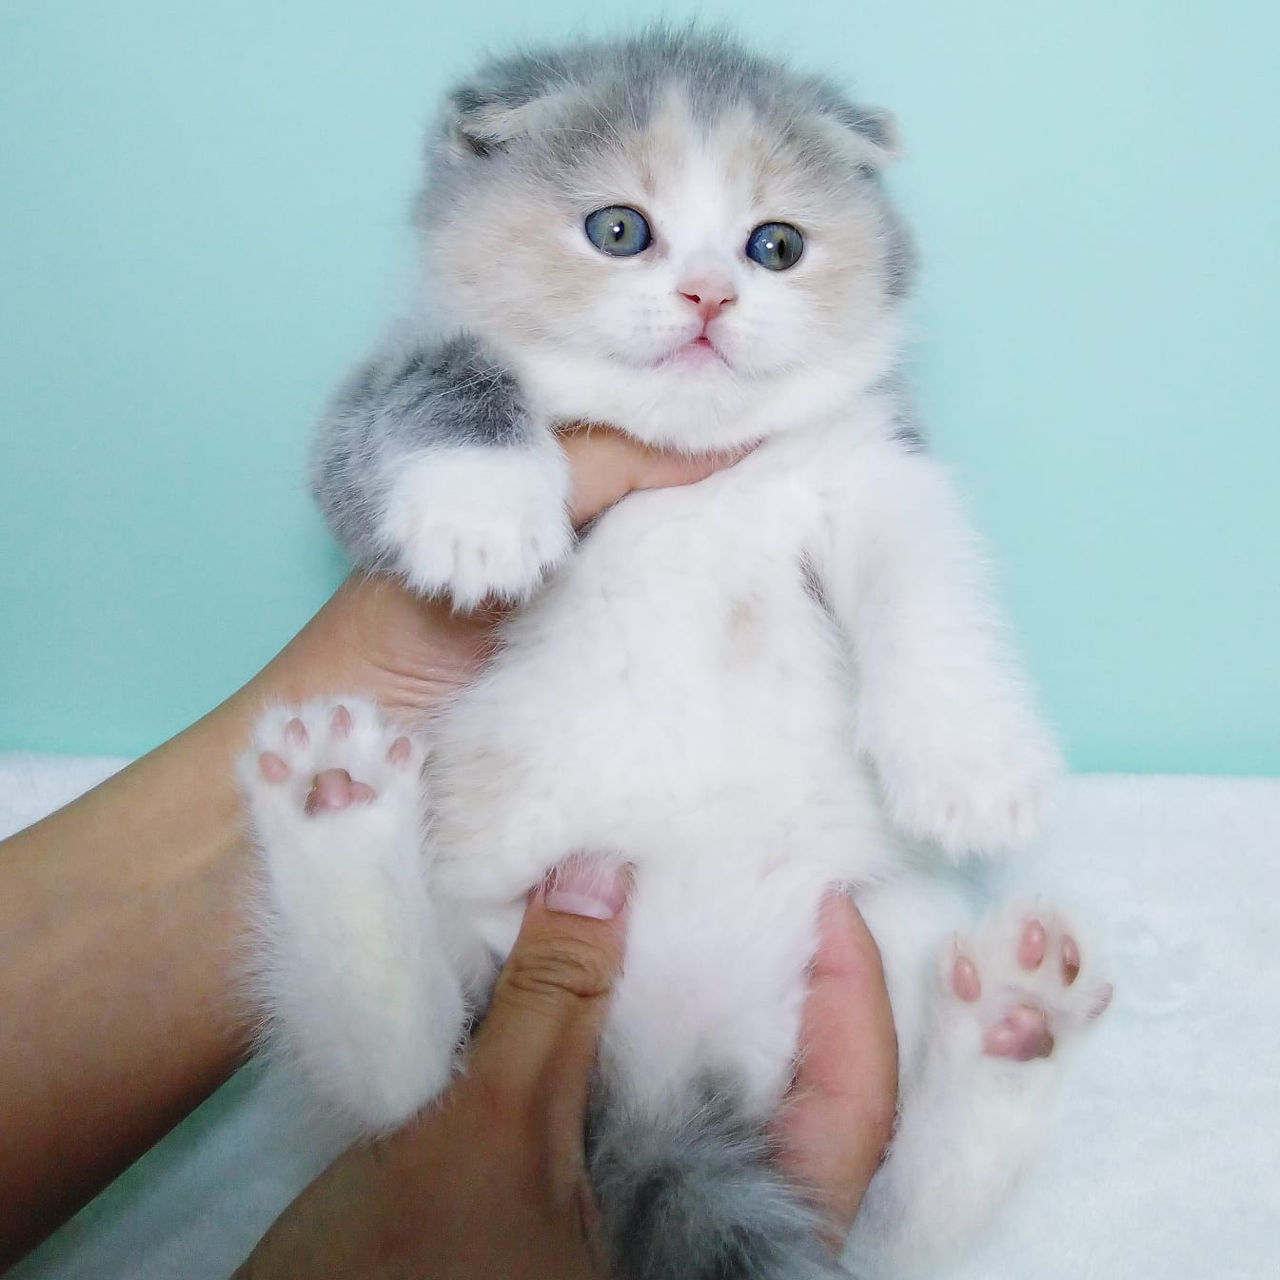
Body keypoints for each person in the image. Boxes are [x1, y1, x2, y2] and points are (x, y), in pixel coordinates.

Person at [0, 426, 898, 1275]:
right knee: (436, 1065)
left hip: (673, 945)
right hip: (599, 926)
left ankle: (363, 921)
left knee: (424, 1089)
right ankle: (367, 925)